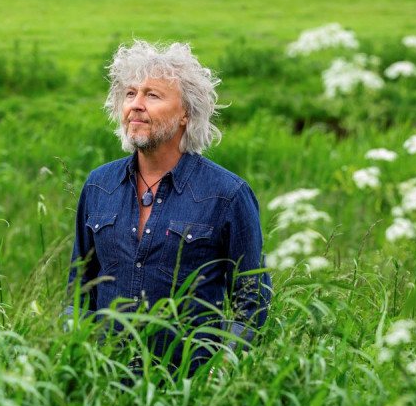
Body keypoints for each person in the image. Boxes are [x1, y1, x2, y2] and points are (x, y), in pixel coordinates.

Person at [67, 40, 271, 373]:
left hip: (188, 391)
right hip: (104, 384)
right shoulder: (98, 186)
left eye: (153, 95)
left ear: (185, 114)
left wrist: (219, 373)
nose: (136, 105)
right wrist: (75, 359)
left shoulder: (228, 195)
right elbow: (78, 291)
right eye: (130, 94)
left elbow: (253, 302)